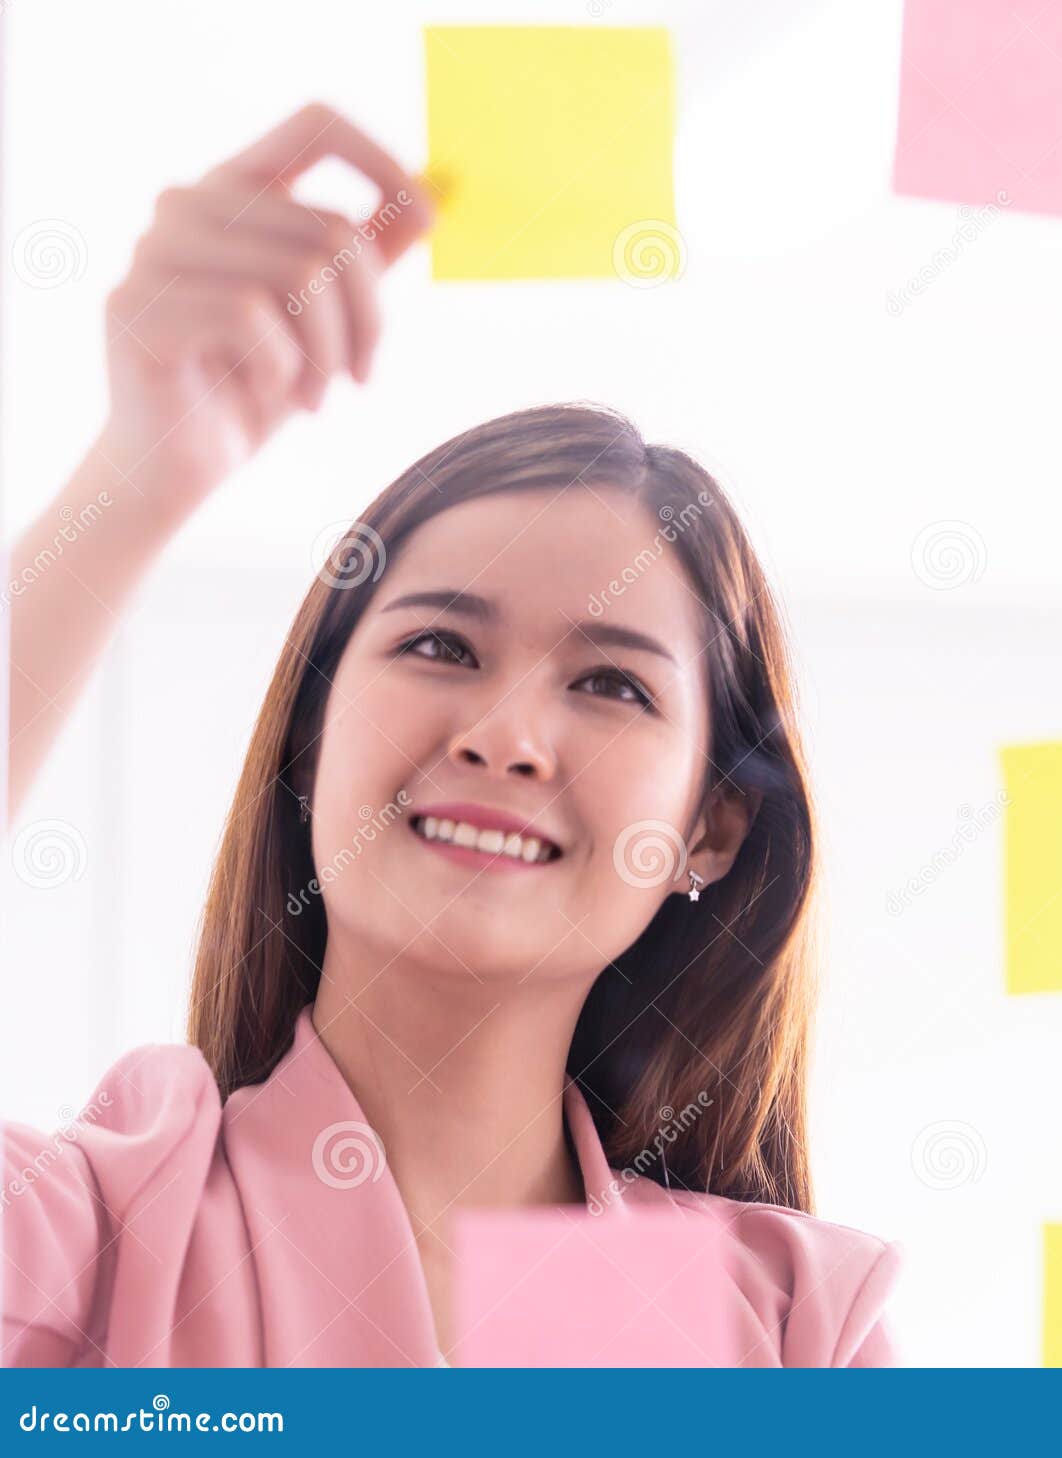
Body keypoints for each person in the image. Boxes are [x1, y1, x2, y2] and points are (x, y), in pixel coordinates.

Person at [2, 103, 901, 1368]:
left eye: (612, 685)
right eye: (439, 648)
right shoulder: (79, 1245)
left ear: (710, 830)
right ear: (311, 742)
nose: (505, 736)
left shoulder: (793, 1325)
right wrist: (134, 480)